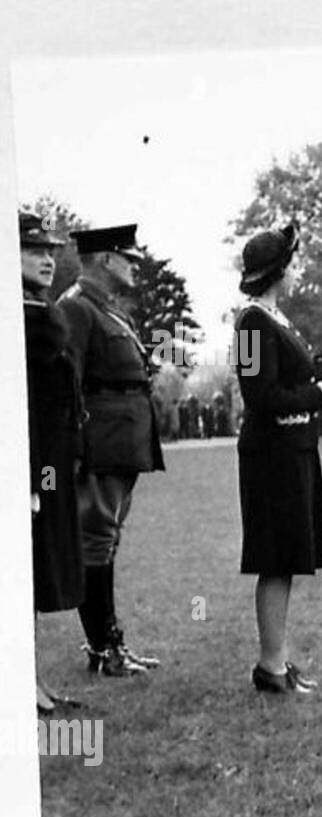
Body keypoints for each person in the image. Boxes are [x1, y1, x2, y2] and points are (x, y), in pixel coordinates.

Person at [234, 223, 322, 693]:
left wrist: (309, 381)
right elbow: (260, 396)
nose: (297, 272)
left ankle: (277, 661)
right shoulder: (253, 322)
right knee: (276, 558)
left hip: (291, 452)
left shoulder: (274, 319)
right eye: (293, 264)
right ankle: (270, 667)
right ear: (278, 271)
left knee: (288, 559)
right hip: (271, 457)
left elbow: (278, 384)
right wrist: (316, 394)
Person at [59, 223, 164, 675]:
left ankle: (111, 644)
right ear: (105, 260)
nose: (135, 266)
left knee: (106, 540)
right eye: (129, 259)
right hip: (100, 445)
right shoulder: (78, 308)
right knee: (96, 541)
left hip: (121, 443)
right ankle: (104, 649)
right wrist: (76, 450)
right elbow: (68, 383)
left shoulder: (108, 310)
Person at [22, 212, 84, 710]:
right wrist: (30, 479)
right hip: (29, 464)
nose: (48, 259)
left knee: (34, 571)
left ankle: (31, 680)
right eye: (33, 250)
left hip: (48, 462)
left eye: (50, 251)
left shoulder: (40, 314)